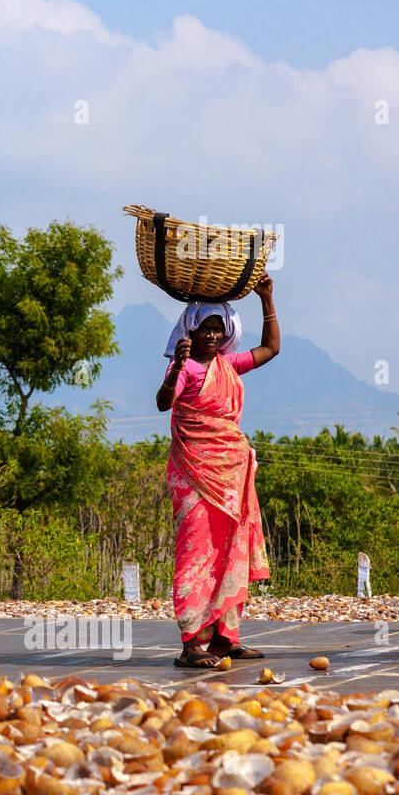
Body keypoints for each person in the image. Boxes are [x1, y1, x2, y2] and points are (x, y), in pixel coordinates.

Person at [155, 275, 278, 668]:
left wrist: (267, 298)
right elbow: (163, 402)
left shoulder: (229, 365)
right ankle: (191, 642)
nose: (210, 335)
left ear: (226, 334)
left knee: (231, 550)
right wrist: (176, 364)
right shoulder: (187, 368)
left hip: (231, 476)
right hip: (195, 474)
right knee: (195, 551)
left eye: (217, 329)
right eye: (205, 327)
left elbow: (272, 348)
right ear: (192, 330)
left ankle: (227, 638)